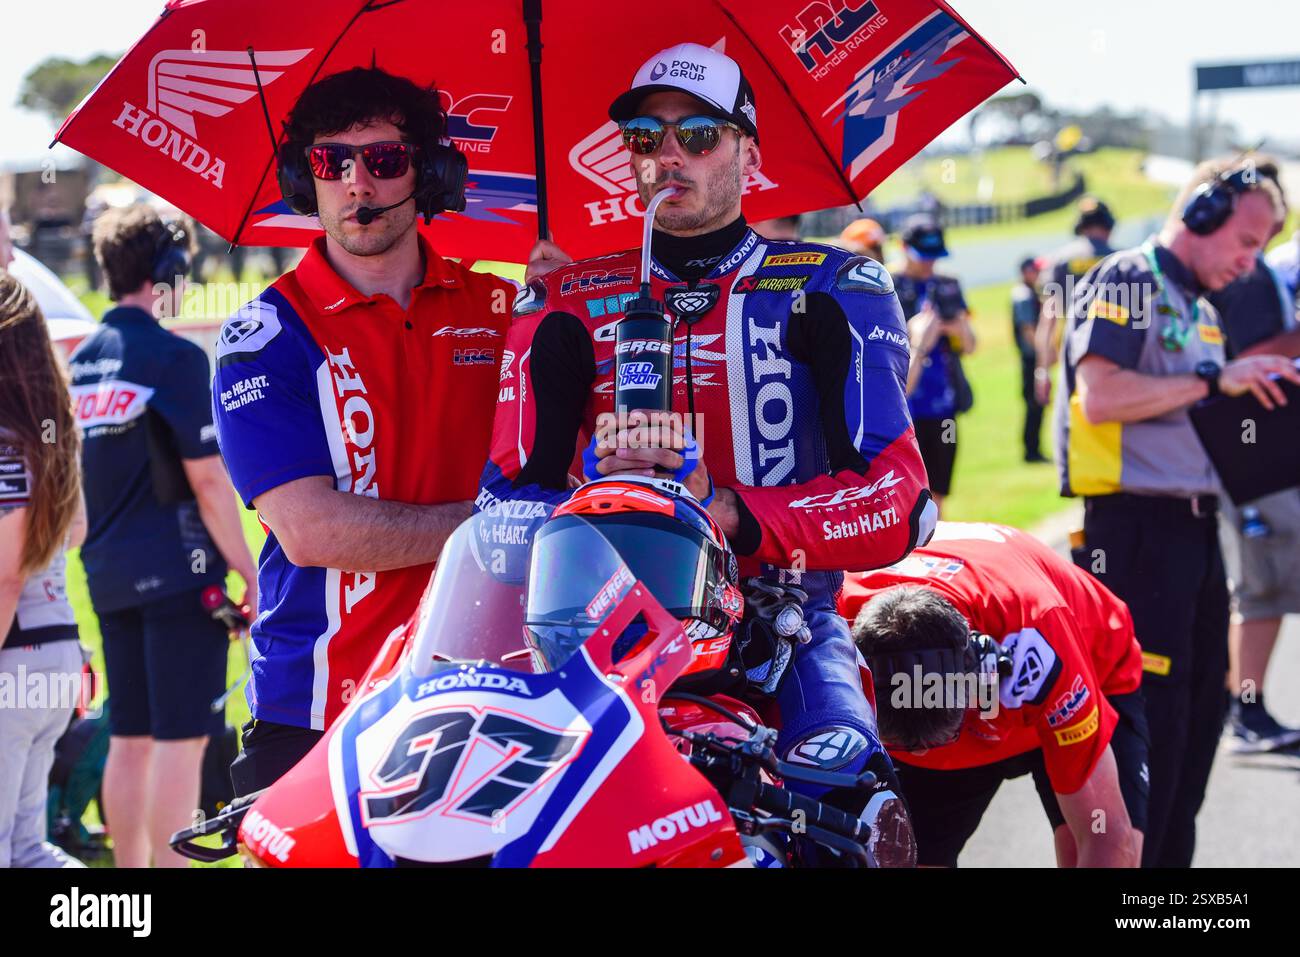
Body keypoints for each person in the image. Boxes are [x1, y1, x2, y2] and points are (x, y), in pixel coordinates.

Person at [481, 42, 937, 832]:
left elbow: (902, 503)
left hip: (787, 623)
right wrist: (597, 491)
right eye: (645, 139)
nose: (667, 156)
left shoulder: (831, 285)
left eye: (698, 134)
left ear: (750, 153)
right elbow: (499, 518)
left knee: (857, 811)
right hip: (596, 635)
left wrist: (726, 510)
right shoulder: (559, 301)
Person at [212, 68, 525, 797]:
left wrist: (564, 319)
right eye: (332, 162)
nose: (358, 184)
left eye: (384, 160)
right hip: (321, 708)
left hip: (488, 685)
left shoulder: (511, 310)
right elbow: (312, 530)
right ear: (303, 178)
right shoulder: (261, 337)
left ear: (433, 173)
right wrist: (501, 531)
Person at [1053, 158, 1300, 867]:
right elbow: (1100, 396)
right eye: (1247, 242)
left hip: (1195, 532)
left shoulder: (1200, 306)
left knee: (1196, 726)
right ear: (1201, 213)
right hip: (1135, 535)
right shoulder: (1128, 279)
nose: (1251, 263)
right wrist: (1215, 378)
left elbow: (1193, 411)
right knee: (1152, 730)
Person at [68, 205, 256, 867]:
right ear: (168, 272)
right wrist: (252, 573)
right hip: (178, 576)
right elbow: (208, 482)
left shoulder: (82, 362)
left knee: (130, 737)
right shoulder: (174, 357)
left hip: (109, 578)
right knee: (179, 742)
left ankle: (130, 882)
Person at [839, 521, 1146, 868]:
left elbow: (1106, 837)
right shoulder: (832, 616)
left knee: (1103, 847)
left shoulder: (1035, 636)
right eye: (904, 741)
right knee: (904, 857)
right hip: (971, 698)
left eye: (938, 736)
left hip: (1084, 667)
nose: (924, 750)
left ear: (981, 661)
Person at [1204, 161, 1300, 753]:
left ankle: (1240, 705)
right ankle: (1244, 710)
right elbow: (1255, 357)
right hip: (1252, 450)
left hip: (1263, 447)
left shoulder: (1258, 266)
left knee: (1260, 584)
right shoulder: (1244, 273)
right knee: (1260, 586)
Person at [0, 273, 86, 868]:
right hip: (56, 654)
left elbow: (6, 575)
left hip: (15, 657)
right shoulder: (51, 436)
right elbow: (75, 532)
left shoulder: (8, 444)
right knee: (29, 847)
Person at [890, 216, 975, 514]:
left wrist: (953, 327)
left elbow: (970, 347)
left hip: (944, 406)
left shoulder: (948, 286)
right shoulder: (889, 287)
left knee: (939, 491)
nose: (929, 265)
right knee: (908, 494)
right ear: (903, 248)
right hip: (903, 408)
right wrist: (918, 333)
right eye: (922, 257)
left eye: (934, 258)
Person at [1034, 198, 1116, 406]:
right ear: (1108, 226)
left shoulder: (1059, 260)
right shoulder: (1122, 259)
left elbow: (1048, 319)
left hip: (1073, 357)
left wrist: (1042, 370)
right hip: (1119, 361)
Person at [1012, 256, 1047, 462]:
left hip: (1034, 358)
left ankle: (1034, 450)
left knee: (1037, 405)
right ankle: (1031, 451)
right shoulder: (1023, 295)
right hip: (1031, 360)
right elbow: (1028, 330)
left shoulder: (1028, 292)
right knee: (1034, 405)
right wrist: (1044, 354)